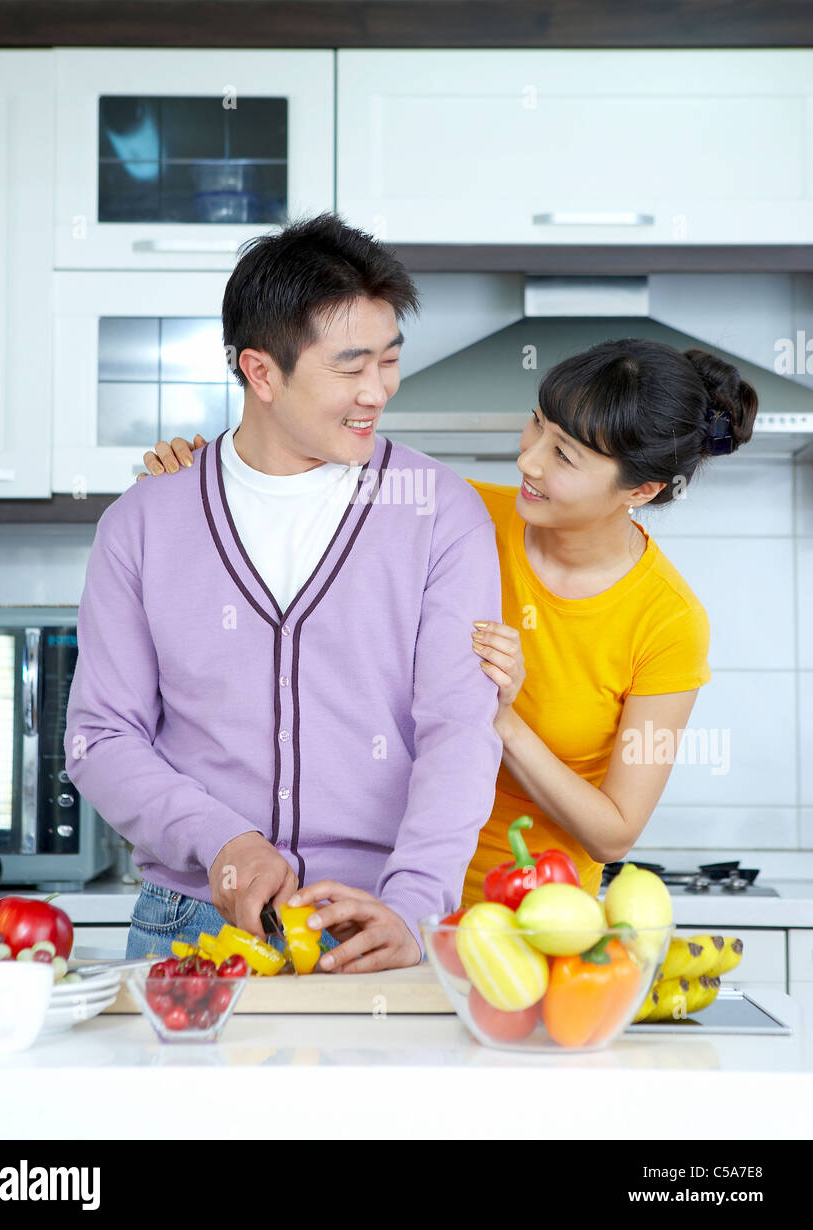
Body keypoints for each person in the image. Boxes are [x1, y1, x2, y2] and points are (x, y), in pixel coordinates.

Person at [144, 325, 758, 905]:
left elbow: (615, 832)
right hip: (388, 893)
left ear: (640, 491)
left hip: (527, 920)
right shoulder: (458, 515)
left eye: (565, 456)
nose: (530, 461)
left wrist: (502, 718)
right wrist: (214, 472)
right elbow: (297, 484)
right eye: (537, 424)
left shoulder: (669, 621)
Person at [64, 213, 521, 973]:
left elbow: (459, 727)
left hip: (375, 931)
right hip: (191, 927)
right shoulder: (143, 522)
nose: (376, 391)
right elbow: (101, 737)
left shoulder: (440, 512)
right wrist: (224, 842)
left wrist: (413, 906)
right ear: (262, 372)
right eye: (349, 367)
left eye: (390, 361)